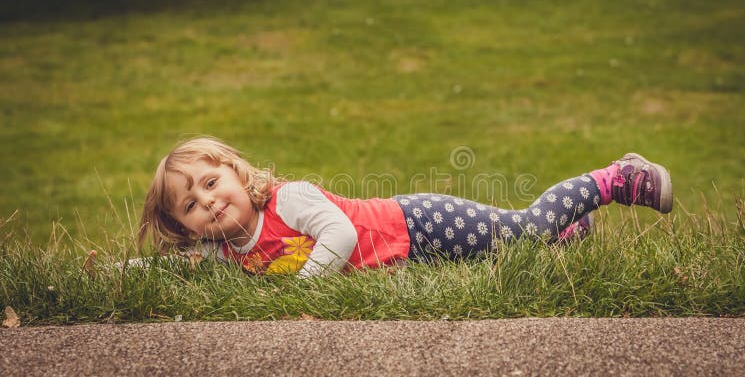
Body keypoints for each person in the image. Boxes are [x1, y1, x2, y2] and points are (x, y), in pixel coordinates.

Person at [137, 137, 672, 278]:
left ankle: (617, 178)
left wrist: (301, 293)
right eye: (190, 203)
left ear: (235, 171)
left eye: (211, 181)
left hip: (419, 225)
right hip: (413, 256)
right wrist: (123, 270)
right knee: (503, 254)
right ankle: (572, 232)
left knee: (522, 230)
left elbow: (342, 239)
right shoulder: (228, 251)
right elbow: (178, 271)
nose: (207, 200)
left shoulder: (288, 200)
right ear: (182, 225)